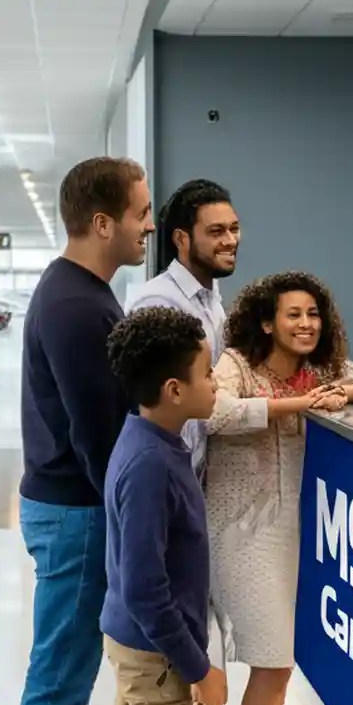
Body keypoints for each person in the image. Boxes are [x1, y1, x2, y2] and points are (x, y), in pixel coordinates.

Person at [205, 271, 353, 705]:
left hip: (295, 535)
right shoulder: (237, 363)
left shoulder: (318, 370)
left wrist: (340, 395)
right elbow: (215, 412)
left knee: (277, 664)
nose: (307, 323)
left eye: (313, 314)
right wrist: (302, 404)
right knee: (269, 663)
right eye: (294, 315)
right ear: (268, 323)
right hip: (242, 533)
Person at [18, 156, 154, 705]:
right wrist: (133, 521)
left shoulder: (81, 291)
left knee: (66, 669)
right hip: (77, 512)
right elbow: (97, 436)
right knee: (60, 681)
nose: (149, 225)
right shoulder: (76, 305)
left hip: (72, 508)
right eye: (141, 213)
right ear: (103, 224)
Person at [101, 307, 227, 705]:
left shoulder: (152, 441)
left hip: (146, 646)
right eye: (207, 373)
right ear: (174, 390)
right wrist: (198, 669)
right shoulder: (149, 466)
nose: (215, 383)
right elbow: (144, 589)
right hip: (154, 658)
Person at [127, 179, 241, 480]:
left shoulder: (212, 298)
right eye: (216, 231)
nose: (230, 240)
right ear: (182, 239)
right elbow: (155, 403)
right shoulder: (158, 301)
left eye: (234, 228)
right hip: (168, 473)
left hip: (197, 470)